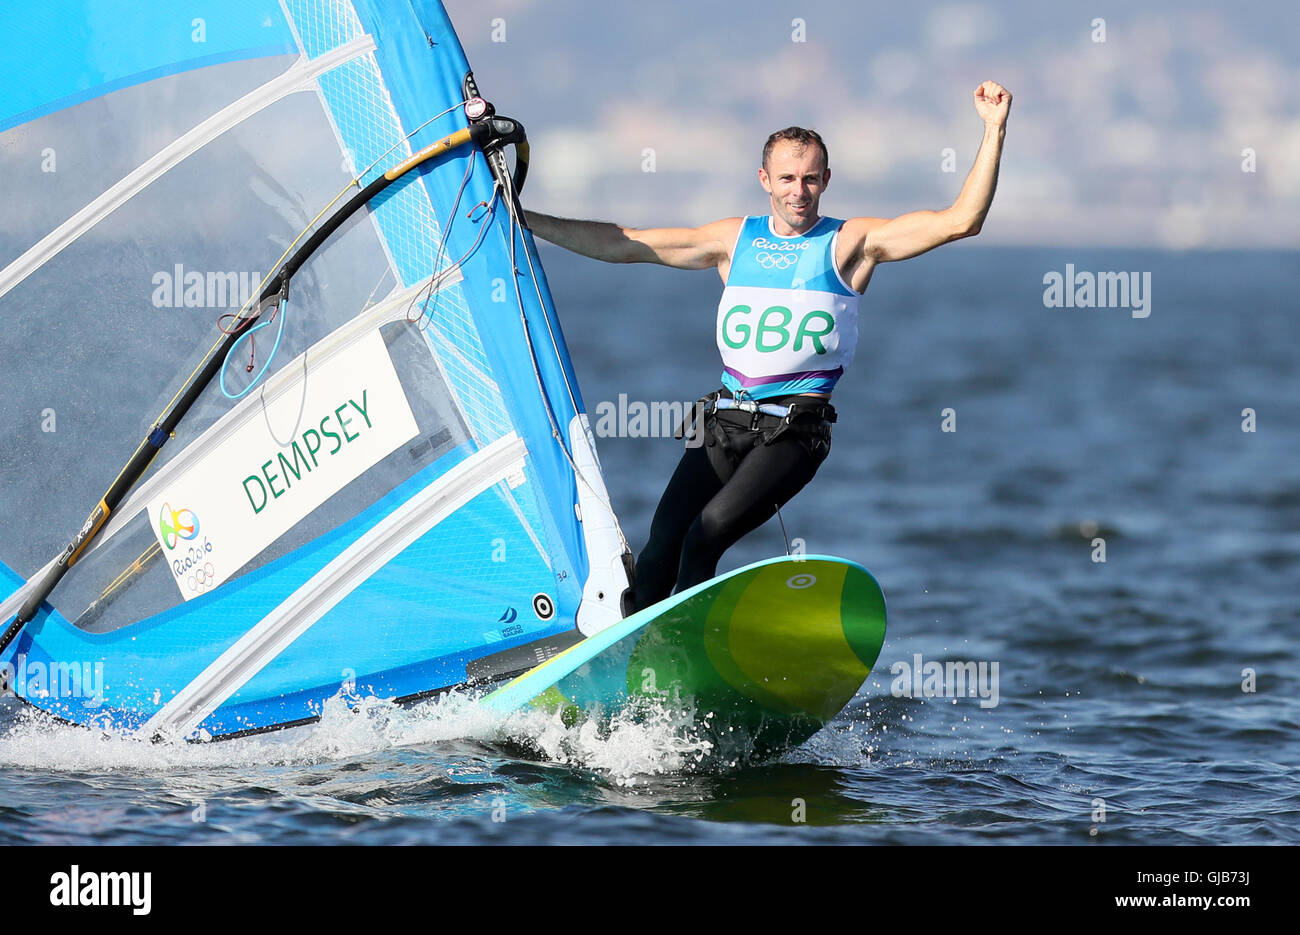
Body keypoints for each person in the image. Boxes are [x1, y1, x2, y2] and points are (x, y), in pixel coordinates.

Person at [526, 81, 1012, 614]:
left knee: (706, 534)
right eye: (786, 178)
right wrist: (523, 220)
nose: (797, 191)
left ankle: (684, 658)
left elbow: (961, 221)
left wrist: (993, 129)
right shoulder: (734, 240)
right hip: (725, 421)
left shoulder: (852, 242)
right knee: (662, 540)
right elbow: (623, 243)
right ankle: (623, 654)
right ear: (764, 180)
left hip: (794, 433)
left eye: (809, 179)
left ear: (826, 180)